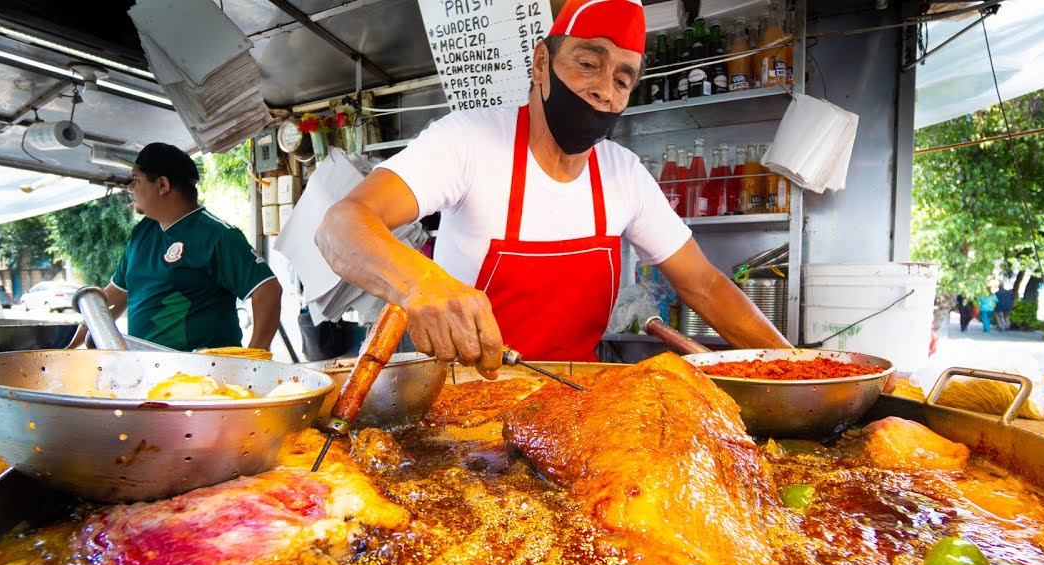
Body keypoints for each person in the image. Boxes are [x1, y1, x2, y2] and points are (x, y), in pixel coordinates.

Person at [317, 0, 789, 374]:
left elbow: (704, 284)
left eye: (622, 79)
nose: (605, 89)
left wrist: (795, 367)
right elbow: (340, 226)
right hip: (468, 403)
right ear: (542, 63)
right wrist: (419, 284)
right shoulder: (468, 141)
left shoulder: (624, 173)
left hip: (576, 405)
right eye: (588, 63)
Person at [71, 143, 282, 352]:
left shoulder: (217, 235)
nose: (130, 187)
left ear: (162, 184)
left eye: (137, 179)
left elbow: (267, 290)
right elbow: (114, 297)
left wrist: (253, 358)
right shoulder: (142, 232)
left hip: (202, 370)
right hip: (144, 366)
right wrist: (68, 346)